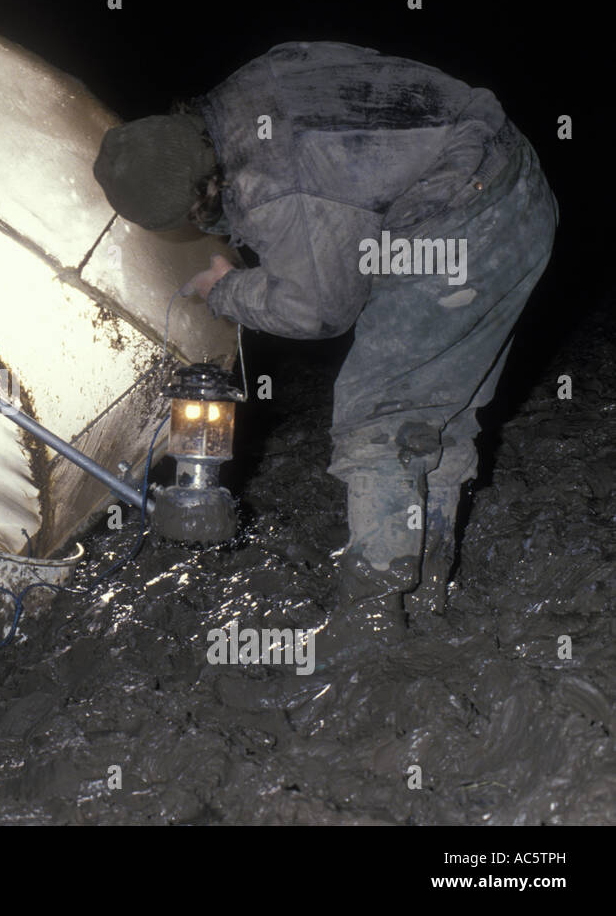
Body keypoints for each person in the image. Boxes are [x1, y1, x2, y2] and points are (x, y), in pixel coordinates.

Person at [93, 41, 558, 659]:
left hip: (462, 224)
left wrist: (226, 291)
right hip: (516, 189)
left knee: (377, 416)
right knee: (431, 419)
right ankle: (421, 597)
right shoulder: (246, 89)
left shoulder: (273, 185)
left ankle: (368, 623)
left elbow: (317, 308)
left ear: (202, 191)